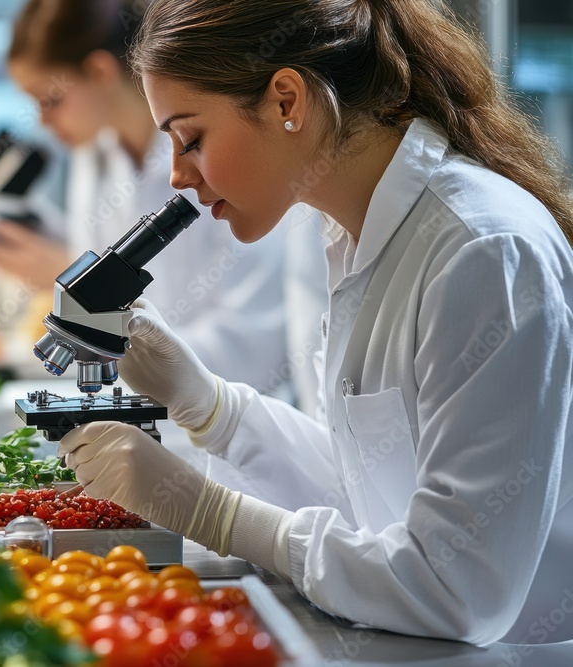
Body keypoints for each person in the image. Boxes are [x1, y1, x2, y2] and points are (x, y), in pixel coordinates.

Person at [58, 0, 573, 647]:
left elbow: (457, 585)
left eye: (191, 138)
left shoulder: (482, 250)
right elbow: (373, 494)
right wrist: (212, 407)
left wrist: (215, 513)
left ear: (285, 102)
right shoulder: (355, 236)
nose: (177, 176)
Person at [0, 0, 329, 413]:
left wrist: (133, 344)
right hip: (159, 398)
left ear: (99, 72)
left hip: (242, 409)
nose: (41, 121)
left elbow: (253, 343)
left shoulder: (221, 161)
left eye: (49, 100)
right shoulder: (98, 157)